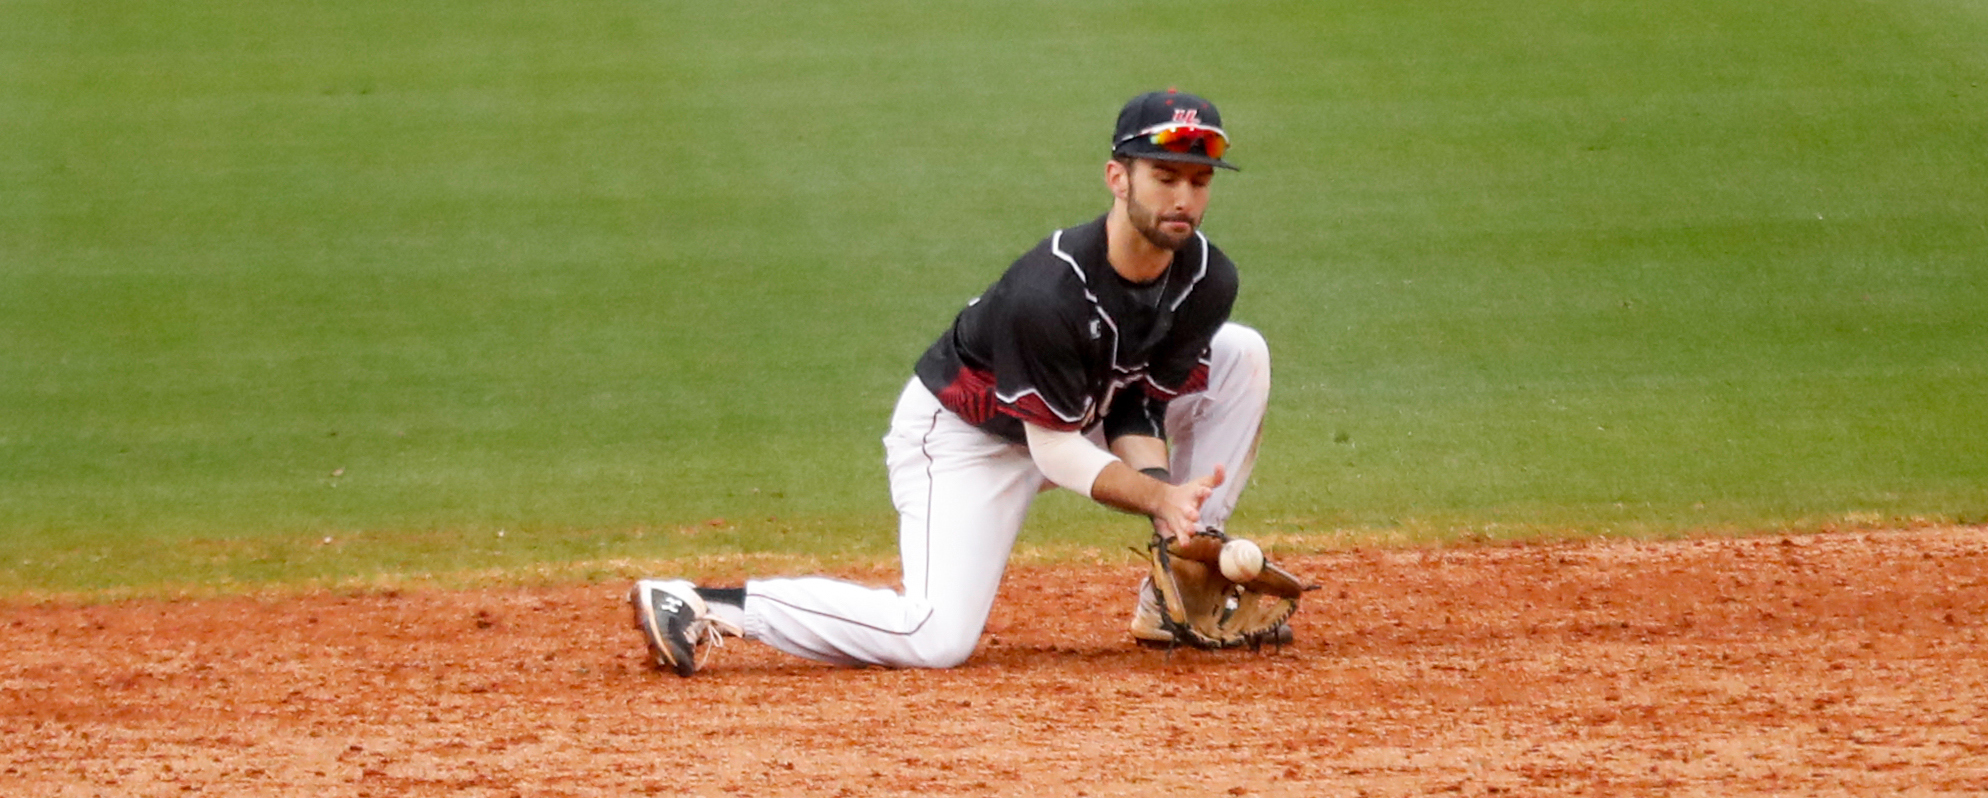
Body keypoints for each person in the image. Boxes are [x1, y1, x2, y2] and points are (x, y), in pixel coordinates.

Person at [630, 89, 1272, 676]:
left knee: (1240, 353)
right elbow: (1054, 450)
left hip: (1079, 413)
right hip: (967, 437)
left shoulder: (1207, 279)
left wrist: (1169, 502)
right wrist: (1154, 498)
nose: (1183, 198)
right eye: (1164, 177)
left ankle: (1183, 582)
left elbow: (1138, 403)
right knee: (935, 638)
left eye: (1198, 179)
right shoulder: (1046, 293)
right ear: (1117, 178)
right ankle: (703, 603)